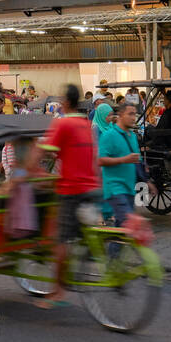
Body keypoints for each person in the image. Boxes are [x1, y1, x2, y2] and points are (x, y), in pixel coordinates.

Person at [26, 85, 99, 309]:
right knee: (80, 234)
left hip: (71, 189)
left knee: (60, 240)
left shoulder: (63, 123)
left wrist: (29, 168)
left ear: (65, 103)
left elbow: (42, 151)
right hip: (92, 186)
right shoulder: (86, 123)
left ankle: (58, 292)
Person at [98, 101, 142, 226]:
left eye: (135, 114)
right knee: (128, 224)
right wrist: (124, 159)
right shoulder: (108, 135)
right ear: (121, 115)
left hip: (129, 189)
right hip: (115, 189)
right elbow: (101, 160)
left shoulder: (132, 136)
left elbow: (138, 161)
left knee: (121, 233)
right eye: (130, 114)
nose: (134, 118)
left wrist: (148, 182)